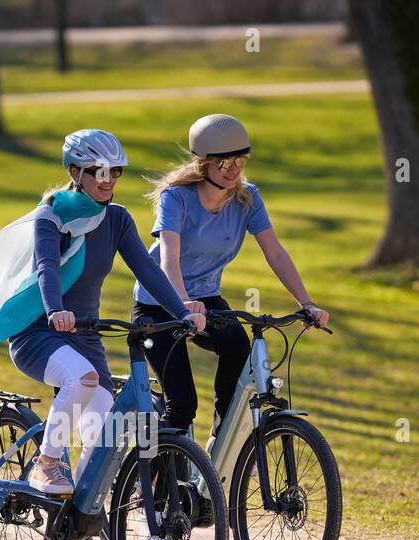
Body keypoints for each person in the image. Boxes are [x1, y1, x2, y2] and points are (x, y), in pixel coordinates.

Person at [0, 129, 198, 540]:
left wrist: (181, 310)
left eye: (116, 172)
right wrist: (54, 310)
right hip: (39, 334)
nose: (108, 180)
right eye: (99, 172)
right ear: (75, 173)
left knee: (104, 438)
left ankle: (78, 517)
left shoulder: (118, 218)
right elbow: (47, 267)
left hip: (86, 337)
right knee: (81, 379)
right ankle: (47, 462)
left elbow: (148, 268)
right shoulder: (52, 216)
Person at [131, 114, 329, 447]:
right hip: (160, 300)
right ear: (204, 163)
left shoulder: (247, 198)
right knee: (181, 407)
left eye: (240, 160)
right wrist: (181, 303)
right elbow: (169, 257)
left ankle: (218, 442)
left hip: (205, 299)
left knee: (237, 346)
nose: (234, 169)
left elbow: (275, 253)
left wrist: (306, 303)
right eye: (225, 163)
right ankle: (155, 486)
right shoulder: (176, 198)